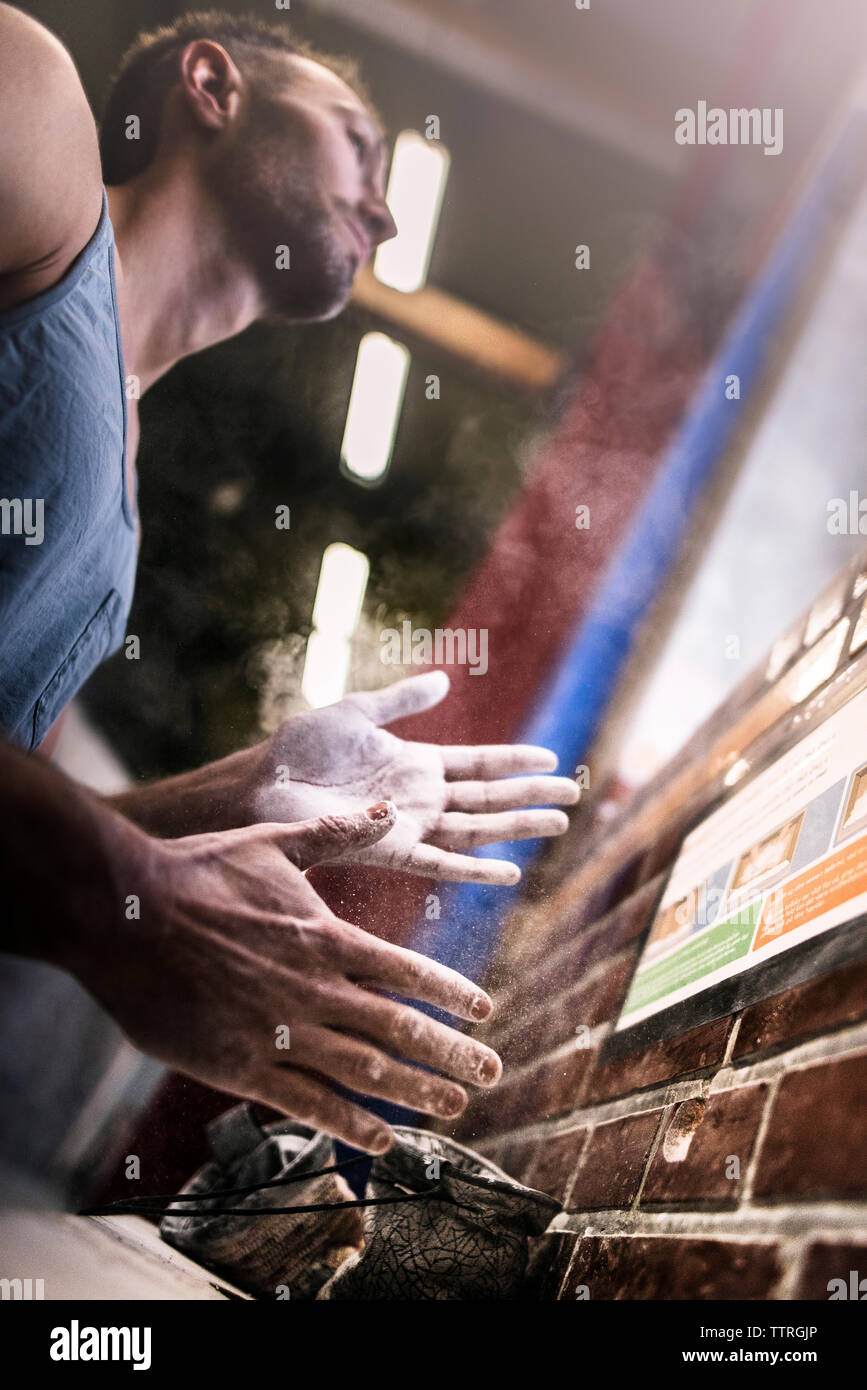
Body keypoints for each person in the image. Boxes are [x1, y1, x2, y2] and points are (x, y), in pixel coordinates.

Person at [0, 6, 579, 1156]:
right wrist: (136, 902)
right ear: (212, 87)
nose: (386, 203)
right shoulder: (36, 121)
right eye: (360, 145)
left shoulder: (113, 505)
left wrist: (238, 791)